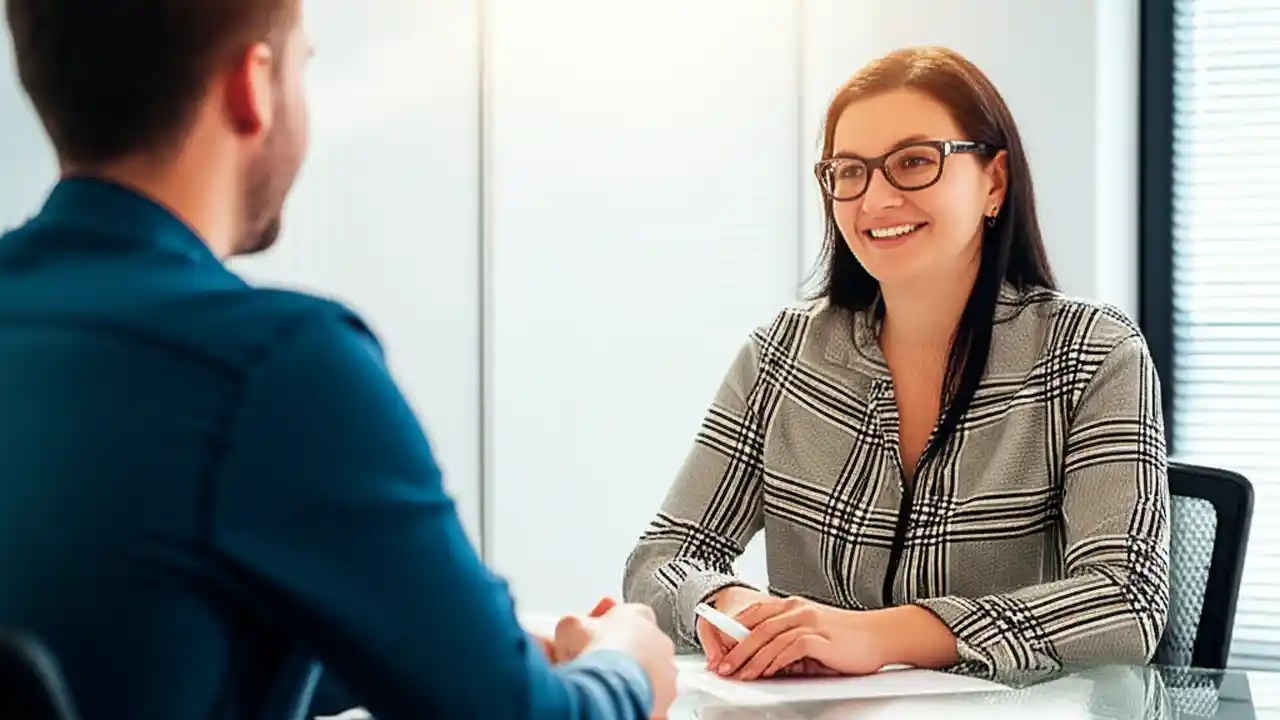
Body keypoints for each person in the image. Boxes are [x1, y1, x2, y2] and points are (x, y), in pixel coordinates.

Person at [0, 2, 676, 719]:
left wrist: (456, 644)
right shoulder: (274, 369)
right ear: (253, 85)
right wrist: (627, 665)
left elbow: (138, 635)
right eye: (304, 64)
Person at [623, 46, 1170, 683]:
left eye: (913, 162)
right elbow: (661, 559)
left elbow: (1125, 600)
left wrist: (877, 636)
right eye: (849, 171)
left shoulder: (1092, 352)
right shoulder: (781, 355)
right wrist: (742, 610)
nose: (875, 199)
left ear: (993, 181)